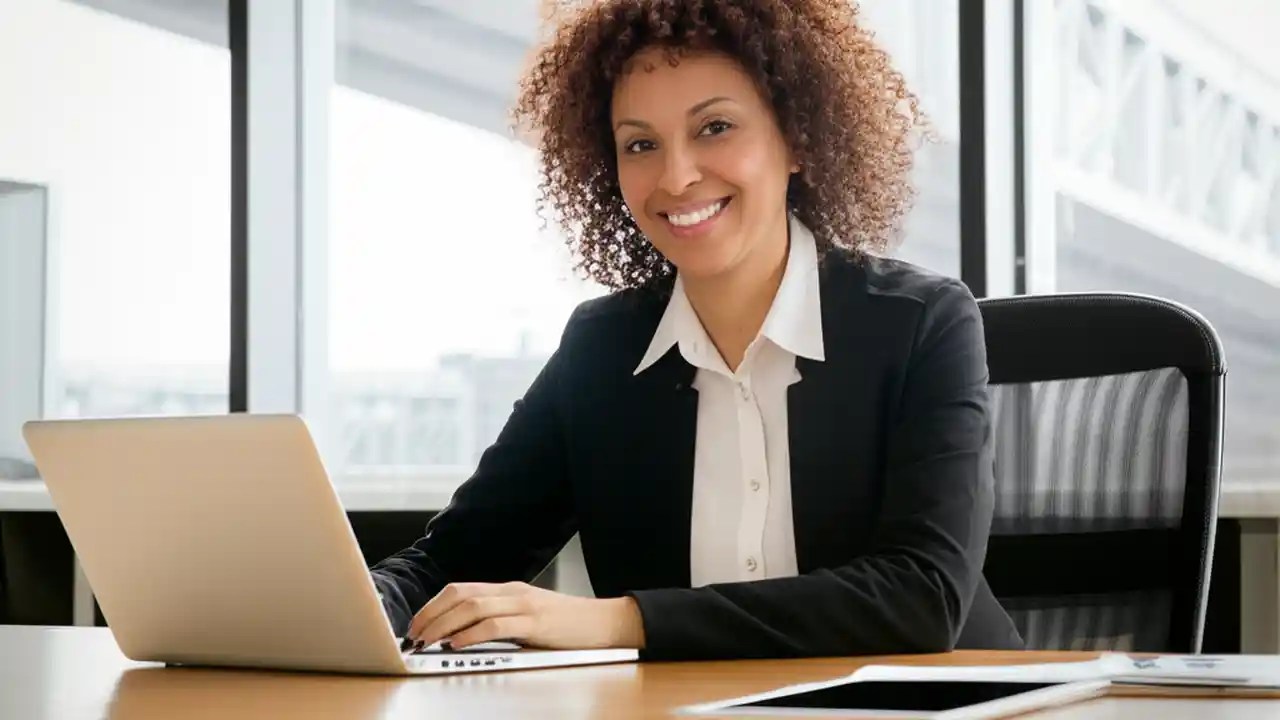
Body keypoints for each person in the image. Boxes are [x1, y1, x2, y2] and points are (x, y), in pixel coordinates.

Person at [370, 0, 1023, 661]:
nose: (676, 176)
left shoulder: (922, 324)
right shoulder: (602, 351)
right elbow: (449, 562)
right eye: (641, 144)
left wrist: (615, 622)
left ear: (797, 137)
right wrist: (352, 606)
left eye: (714, 127)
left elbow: (920, 599)